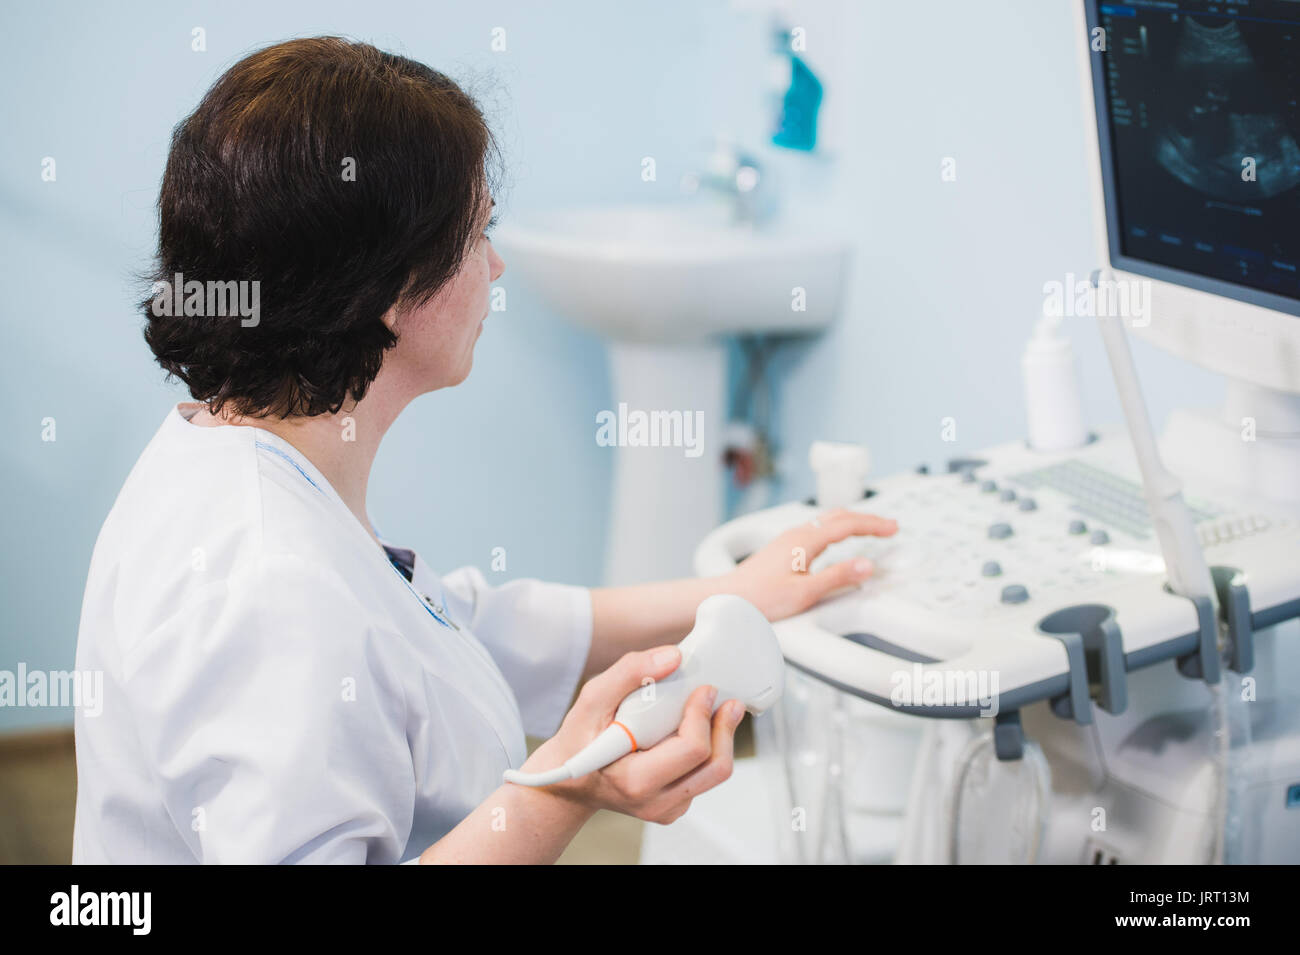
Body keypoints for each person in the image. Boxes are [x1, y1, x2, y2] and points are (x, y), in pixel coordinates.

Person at [72, 37, 896, 864]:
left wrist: (733, 590)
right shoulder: (271, 588)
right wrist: (566, 789)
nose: (495, 266)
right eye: (478, 233)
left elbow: (453, 627)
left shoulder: (225, 451)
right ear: (391, 289)